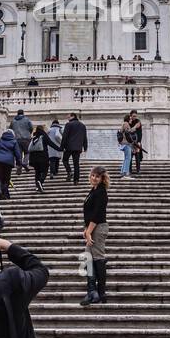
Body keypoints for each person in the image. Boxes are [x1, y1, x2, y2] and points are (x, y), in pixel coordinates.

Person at [82, 165, 109, 305]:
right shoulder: (93, 191)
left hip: (98, 228)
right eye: (93, 175)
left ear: (102, 178)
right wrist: (86, 229)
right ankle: (92, 292)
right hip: (92, 228)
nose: (94, 178)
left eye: (97, 176)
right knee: (89, 259)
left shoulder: (101, 192)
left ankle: (101, 292)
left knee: (97, 258)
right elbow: (89, 212)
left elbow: (97, 213)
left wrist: (89, 231)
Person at [0, 128, 19, 200]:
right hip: (8, 162)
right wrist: (19, 163)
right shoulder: (14, 141)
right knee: (6, 178)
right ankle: (4, 192)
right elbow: (17, 153)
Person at [62, 113, 87, 183]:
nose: (68, 118)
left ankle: (69, 171)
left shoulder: (68, 124)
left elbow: (65, 136)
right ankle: (76, 180)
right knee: (76, 164)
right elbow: (85, 137)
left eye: (68, 117)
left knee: (64, 160)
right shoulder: (82, 125)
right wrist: (85, 147)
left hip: (69, 147)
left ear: (73, 116)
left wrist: (62, 147)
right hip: (78, 148)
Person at [28, 124, 52, 193]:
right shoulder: (44, 136)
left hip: (33, 159)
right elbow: (51, 143)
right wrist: (60, 149)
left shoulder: (34, 137)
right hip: (43, 157)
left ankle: (37, 186)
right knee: (45, 170)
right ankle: (40, 182)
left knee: (37, 172)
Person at [10, 109, 34, 173]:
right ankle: (25, 163)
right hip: (26, 139)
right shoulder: (27, 120)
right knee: (27, 152)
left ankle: (19, 168)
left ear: (17, 114)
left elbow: (10, 130)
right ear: (23, 113)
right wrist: (28, 133)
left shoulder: (13, 121)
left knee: (19, 155)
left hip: (17, 140)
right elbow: (31, 128)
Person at [128, 110, 145, 175]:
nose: (134, 117)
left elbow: (140, 133)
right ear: (131, 116)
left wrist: (139, 142)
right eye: (133, 116)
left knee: (137, 156)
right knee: (130, 156)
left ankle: (138, 170)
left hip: (137, 141)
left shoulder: (138, 122)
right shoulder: (128, 122)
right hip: (130, 142)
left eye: (135, 116)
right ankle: (130, 170)